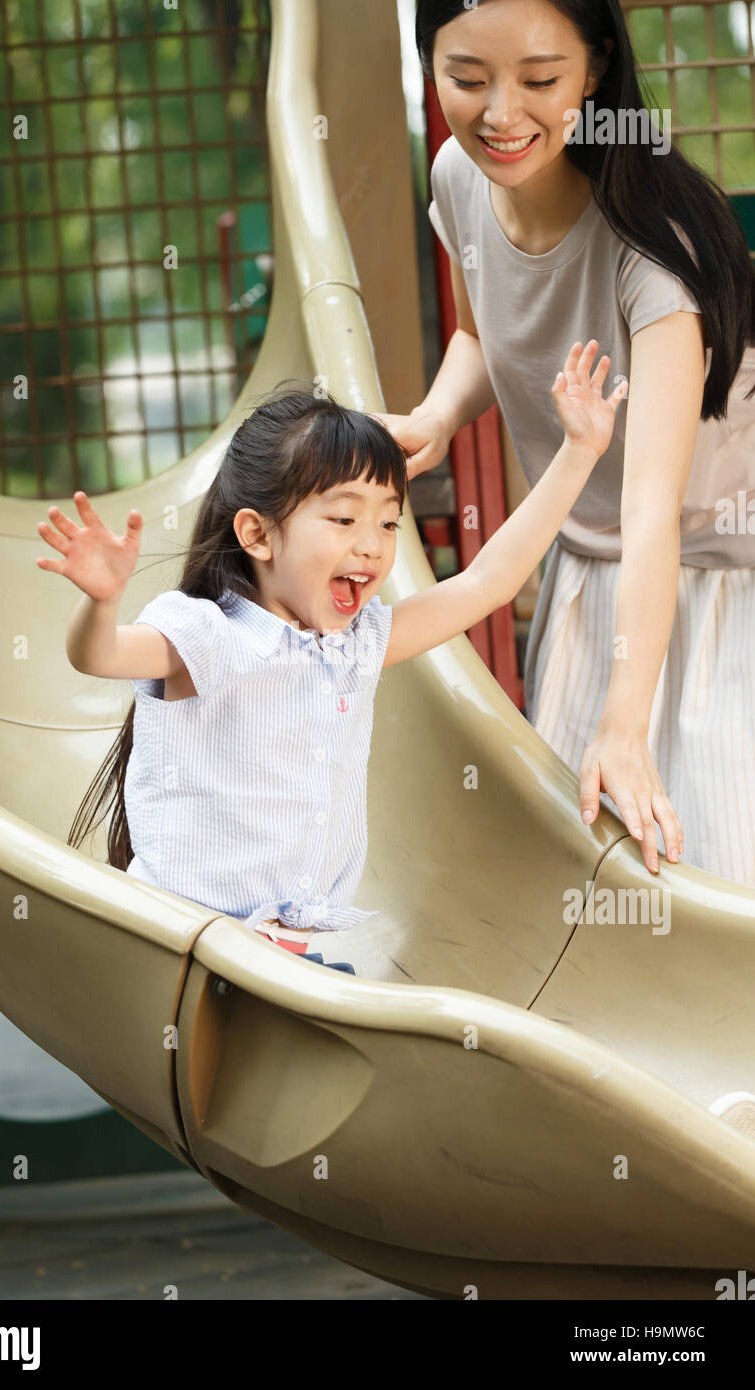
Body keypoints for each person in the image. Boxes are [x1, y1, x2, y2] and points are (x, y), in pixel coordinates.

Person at [36, 344, 627, 974]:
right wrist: (101, 602)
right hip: (182, 946)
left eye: (388, 524)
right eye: (344, 518)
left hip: (286, 955)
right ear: (257, 535)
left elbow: (486, 584)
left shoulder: (357, 645)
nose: (371, 546)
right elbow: (98, 656)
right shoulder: (209, 635)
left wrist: (579, 452)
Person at [377, 0, 755, 887]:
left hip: (713, 576)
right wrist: (434, 418)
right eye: (466, 79)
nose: (501, 114)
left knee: (718, 873)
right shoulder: (457, 178)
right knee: (579, 880)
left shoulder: (654, 257)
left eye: (540, 80)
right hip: (590, 564)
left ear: (595, 71)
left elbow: (652, 507)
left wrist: (628, 722)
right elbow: (483, 334)